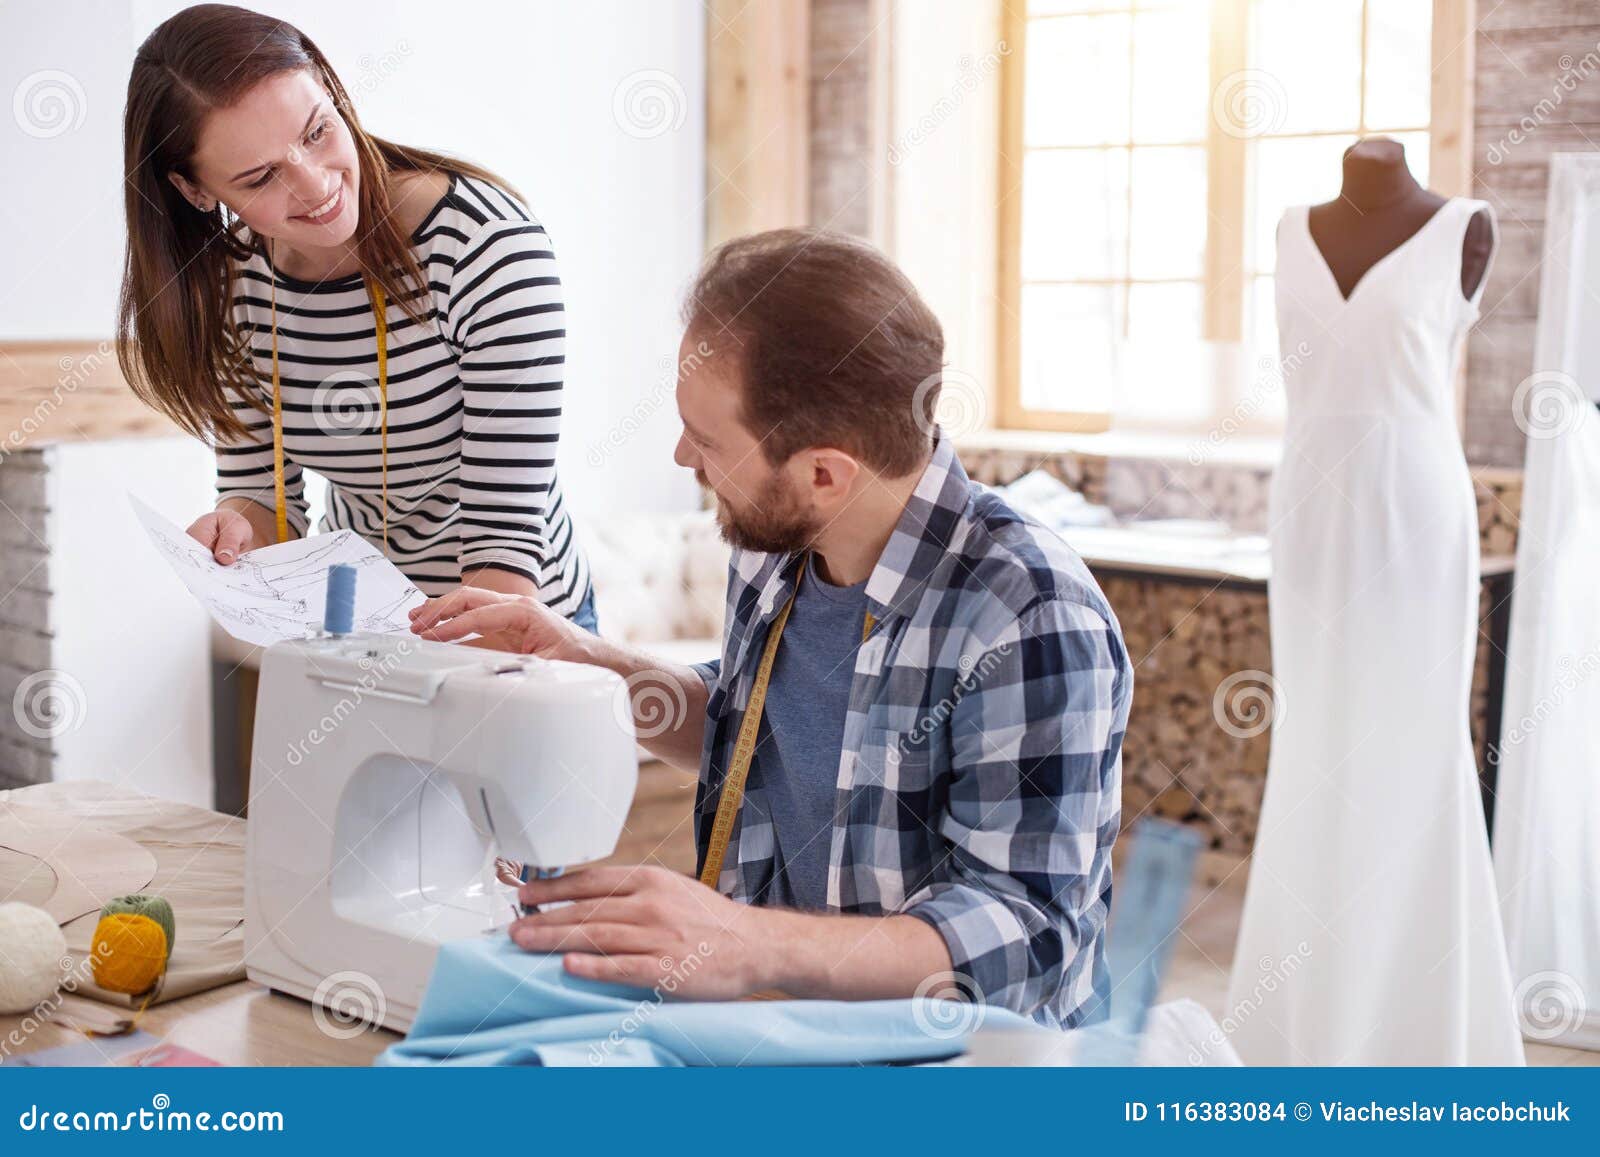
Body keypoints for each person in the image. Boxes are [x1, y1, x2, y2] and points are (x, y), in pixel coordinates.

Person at [411, 230, 1132, 1026]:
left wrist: (749, 942)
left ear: (824, 473)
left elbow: (1026, 937)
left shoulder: (1029, 612)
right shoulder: (776, 548)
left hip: (959, 1064)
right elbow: (748, 730)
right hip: (781, 1024)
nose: (682, 455)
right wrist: (586, 660)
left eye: (706, 439)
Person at [117, 4, 595, 632]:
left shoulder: (483, 247)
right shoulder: (232, 285)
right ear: (195, 191)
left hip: (520, 621)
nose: (315, 186)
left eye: (317, 131)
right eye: (261, 177)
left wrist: (444, 670)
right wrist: (237, 532)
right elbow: (264, 498)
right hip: (363, 623)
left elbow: (501, 546)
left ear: (332, 91)